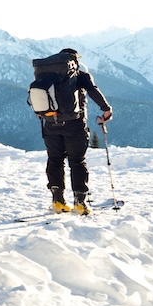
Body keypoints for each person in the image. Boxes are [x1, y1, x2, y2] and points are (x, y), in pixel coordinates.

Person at [43, 48, 112, 215]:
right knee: (77, 161)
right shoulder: (81, 76)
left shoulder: (46, 77)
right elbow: (93, 91)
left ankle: (57, 201)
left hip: (51, 125)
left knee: (55, 161)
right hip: (75, 125)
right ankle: (80, 203)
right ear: (74, 61)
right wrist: (106, 109)